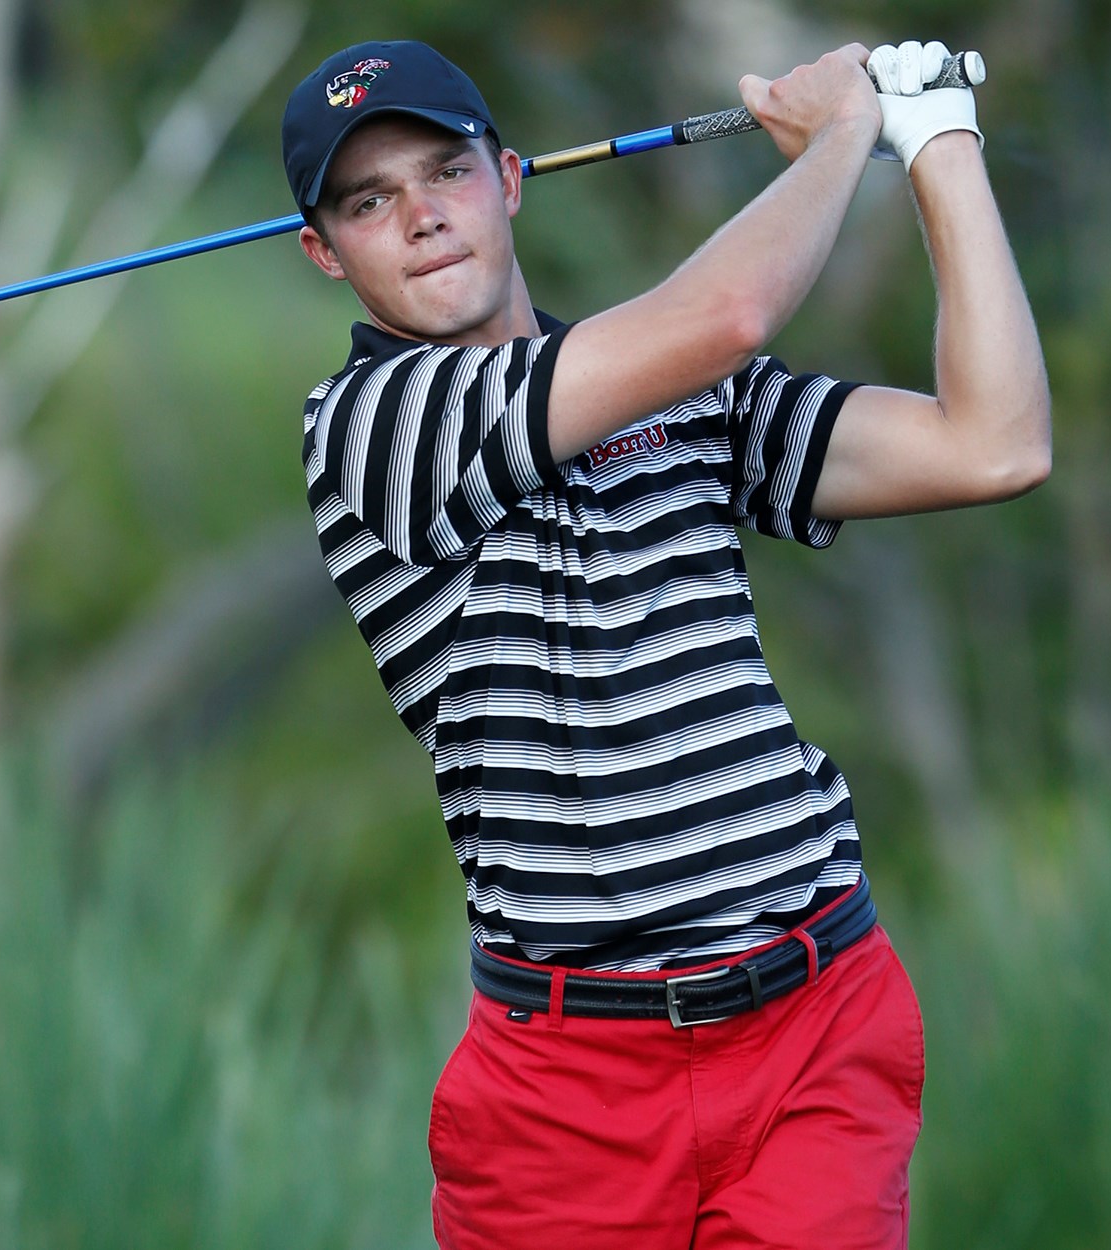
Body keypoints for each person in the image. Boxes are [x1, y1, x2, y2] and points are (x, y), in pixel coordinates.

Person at [281, 36, 1049, 1250]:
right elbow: (723, 312)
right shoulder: (370, 430)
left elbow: (993, 443)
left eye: (446, 171)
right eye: (369, 202)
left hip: (808, 1026)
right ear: (325, 253)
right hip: (565, 1090)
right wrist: (844, 131)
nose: (422, 218)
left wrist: (938, 139)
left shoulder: (678, 396)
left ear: (512, 177)